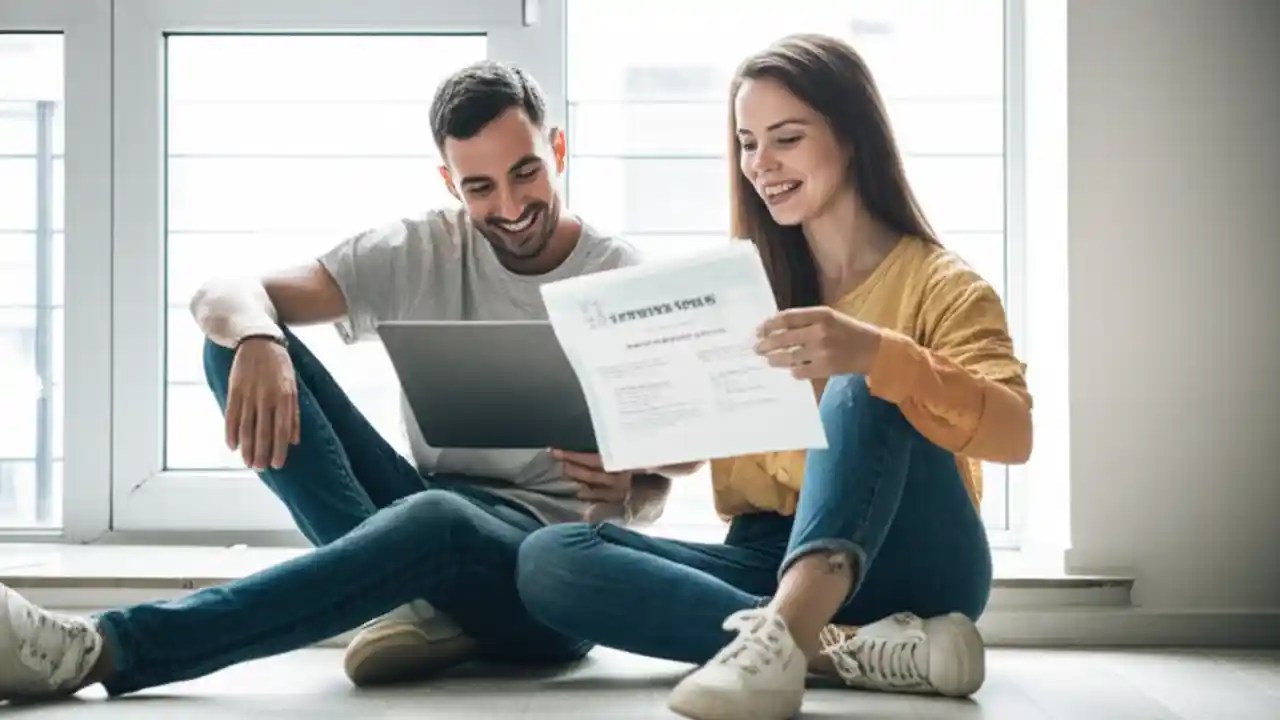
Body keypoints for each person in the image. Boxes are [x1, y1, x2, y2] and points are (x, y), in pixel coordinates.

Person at [0, 59, 696, 702]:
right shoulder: (421, 248)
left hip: (539, 578)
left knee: (437, 519)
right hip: (422, 512)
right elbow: (226, 289)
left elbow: (677, 463)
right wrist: (260, 337)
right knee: (233, 348)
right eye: (480, 187)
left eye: (527, 174)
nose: (511, 207)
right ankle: (408, 605)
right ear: (450, 183)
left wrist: (633, 487)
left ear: (560, 152)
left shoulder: (620, 272)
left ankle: (99, 647)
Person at [513, 33, 1033, 720]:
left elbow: (1015, 433)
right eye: (747, 142)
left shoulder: (943, 284)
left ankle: (781, 642)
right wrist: (634, 459)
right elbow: (711, 435)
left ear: (851, 136)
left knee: (861, 381)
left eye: (786, 138)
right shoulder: (744, 283)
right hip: (765, 555)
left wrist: (880, 353)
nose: (761, 164)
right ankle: (848, 649)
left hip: (911, 561)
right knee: (550, 558)